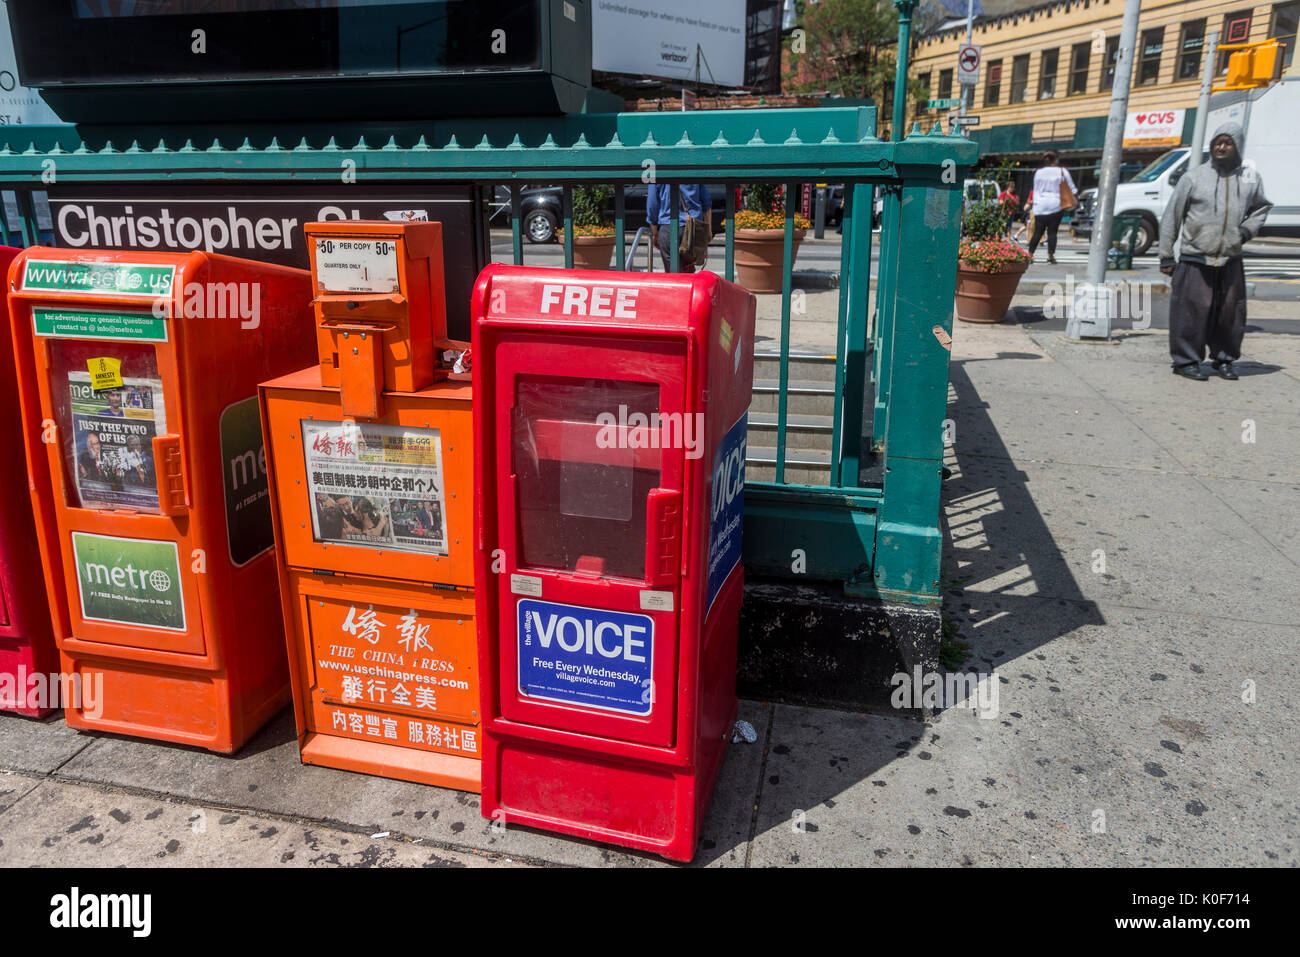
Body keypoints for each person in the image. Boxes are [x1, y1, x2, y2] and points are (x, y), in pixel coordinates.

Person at [1159, 122, 1271, 381]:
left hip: (1230, 258)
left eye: (1227, 142)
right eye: (1217, 142)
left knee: (1230, 315)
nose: (1221, 147)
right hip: (1195, 257)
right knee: (1190, 313)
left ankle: (1224, 359)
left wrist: (1244, 232)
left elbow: (1261, 209)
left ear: (1237, 146)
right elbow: (1171, 217)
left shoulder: (1249, 178)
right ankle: (1186, 361)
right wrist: (1166, 255)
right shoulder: (1193, 177)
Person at [646, 184, 711, 273]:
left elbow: (652, 204)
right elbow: (706, 203)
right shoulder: (695, 170)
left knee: (672, 273)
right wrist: (708, 229)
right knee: (688, 270)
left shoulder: (657, 171)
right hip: (693, 227)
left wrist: (655, 232)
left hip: (668, 226)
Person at [1027, 150, 1077, 263]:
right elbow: (1072, 187)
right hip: (1056, 205)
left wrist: (1035, 205)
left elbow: (1036, 189)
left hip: (1040, 205)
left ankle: (1030, 255)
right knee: (1052, 232)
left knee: (1038, 232)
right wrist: (1075, 199)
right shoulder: (1061, 171)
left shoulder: (1038, 172)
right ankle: (1050, 256)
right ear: (1057, 159)